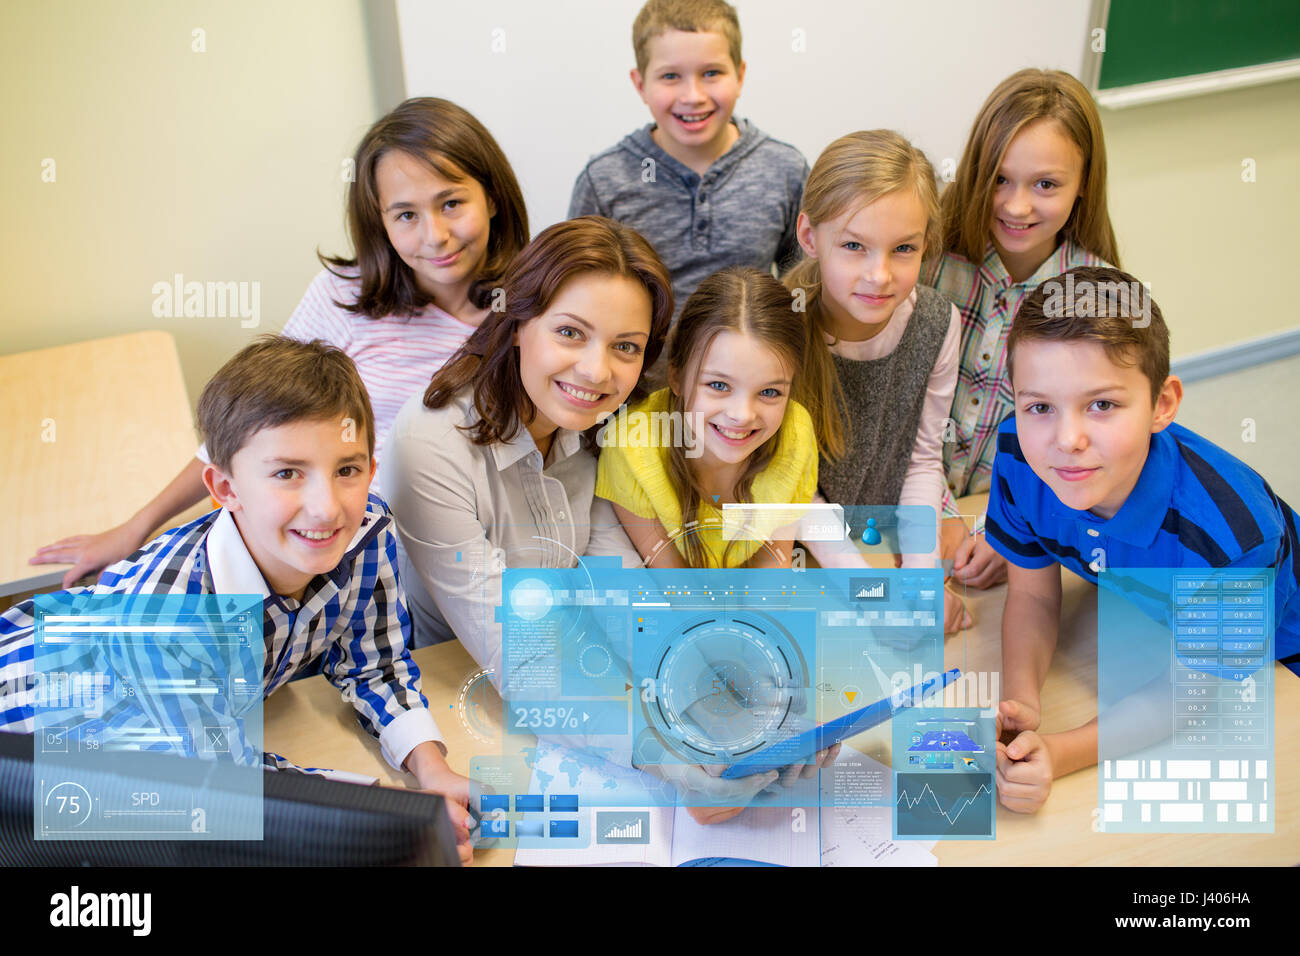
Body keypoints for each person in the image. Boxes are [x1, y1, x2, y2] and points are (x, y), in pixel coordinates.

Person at [2, 337, 475, 861]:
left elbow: (375, 667)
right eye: (287, 473)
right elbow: (231, 794)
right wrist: (397, 819)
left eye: (347, 469)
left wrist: (432, 771)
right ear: (224, 488)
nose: (327, 508)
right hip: (40, 757)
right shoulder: (174, 623)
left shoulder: (365, 530)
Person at [32, 97, 529, 587]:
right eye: (405, 215)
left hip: (472, 560)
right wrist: (135, 527)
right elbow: (250, 424)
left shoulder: (534, 306)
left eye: (451, 203)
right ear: (379, 220)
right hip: (338, 555)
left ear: (492, 197)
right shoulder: (346, 296)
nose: (436, 235)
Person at [984, 267, 1299, 813]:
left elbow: (1192, 692)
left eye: (1102, 404)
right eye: (1040, 406)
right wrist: (1021, 700)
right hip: (1158, 617)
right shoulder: (1019, 453)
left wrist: (1060, 752)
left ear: (1163, 404)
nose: (1066, 441)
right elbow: (1033, 593)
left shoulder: (1234, 539)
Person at [925, 69, 1120, 592]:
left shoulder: (1099, 296)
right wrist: (937, 513)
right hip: (909, 510)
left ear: (1083, 186)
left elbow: (1096, 444)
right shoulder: (926, 256)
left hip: (1021, 524)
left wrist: (1004, 527)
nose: (1016, 205)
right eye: (1000, 179)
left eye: (1046, 184)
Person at [783, 130, 969, 634]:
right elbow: (790, 495)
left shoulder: (937, 323)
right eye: (853, 246)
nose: (879, 275)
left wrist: (920, 579)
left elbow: (924, 459)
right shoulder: (779, 327)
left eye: (903, 248)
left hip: (878, 542)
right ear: (809, 236)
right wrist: (870, 594)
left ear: (925, 244)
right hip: (791, 557)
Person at [567, 0, 807, 382]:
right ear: (640, 83)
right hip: (634, 403)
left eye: (711, 73)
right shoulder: (605, 180)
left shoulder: (785, 169)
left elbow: (804, 287)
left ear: (740, 75)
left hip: (743, 405)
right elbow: (577, 299)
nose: (693, 95)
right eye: (670, 77)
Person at [596, 266, 820, 569]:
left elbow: (771, 575)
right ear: (676, 376)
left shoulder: (795, 431)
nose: (742, 415)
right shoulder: (632, 447)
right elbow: (678, 588)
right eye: (718, 385)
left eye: (769, 392)